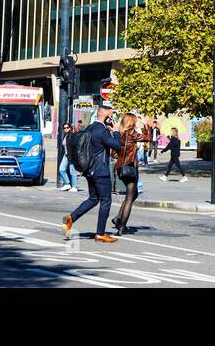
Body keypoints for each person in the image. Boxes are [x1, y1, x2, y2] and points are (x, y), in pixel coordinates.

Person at [63, 101, 123, 243]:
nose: (112, 118)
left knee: (93, 199)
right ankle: (100, 233)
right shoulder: (102, 131)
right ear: (106, 116)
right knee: (106, 200)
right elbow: (117, 146)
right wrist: (116, 131)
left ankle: (71, 218)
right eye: (111, 115)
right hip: (100, 170)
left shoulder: (90, 128)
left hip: (89, 169)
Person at [112, 113, 156, 236]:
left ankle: (118, 218)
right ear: (131, 122)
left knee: (133, 194)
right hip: (130, 168)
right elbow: (147, 138)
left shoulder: (119, 134)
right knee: (130, 197)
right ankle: (122, 226)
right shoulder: (131, 133)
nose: (136, 123)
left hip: (120, 168)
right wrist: (146, 125)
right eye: (135, 121)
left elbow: (113, 153)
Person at [57, 123, 80, 191]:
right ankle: (67, 184)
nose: (66, 129)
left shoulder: (72, 135)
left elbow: (75, 146)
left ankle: (74, 186)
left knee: (72, 171)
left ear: (70, 128)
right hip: (66, 155)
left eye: (67, 127)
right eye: (64, 128)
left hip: (71, 155)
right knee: (61, 169)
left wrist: (74, 156)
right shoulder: (66, 136)